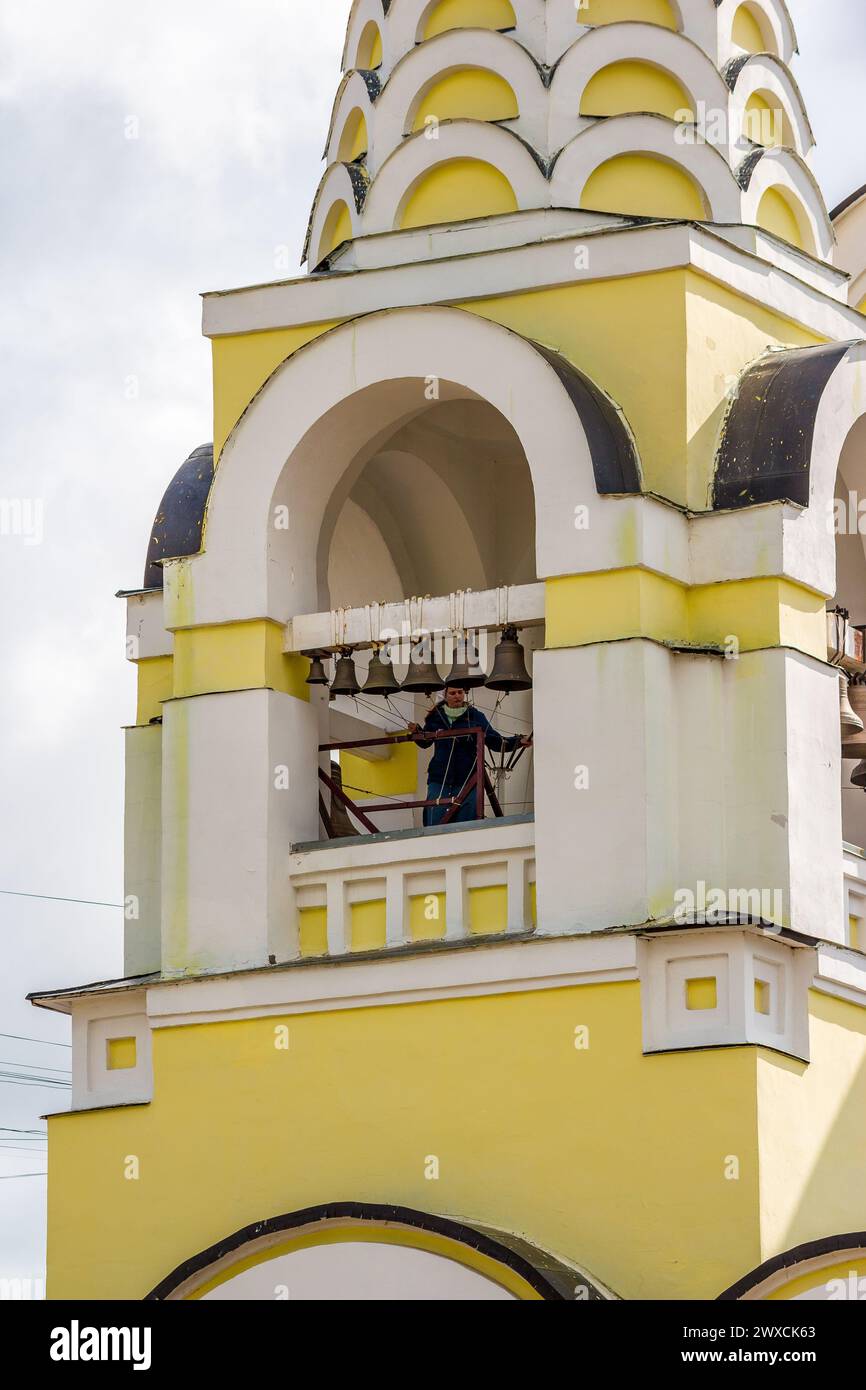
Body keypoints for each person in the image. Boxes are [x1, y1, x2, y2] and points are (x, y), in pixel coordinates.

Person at [409, 686, 532, 827]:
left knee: (467, 823)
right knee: (435, 819)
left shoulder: (475, 716)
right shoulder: (436, 717)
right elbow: (426, 742)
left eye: (460, 692)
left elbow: (495, 741)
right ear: (445, 695)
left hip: (468, 778)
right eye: (452, 693)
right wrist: (417, 732)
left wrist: (518, 741)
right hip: (440, 777)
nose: (457, 696)